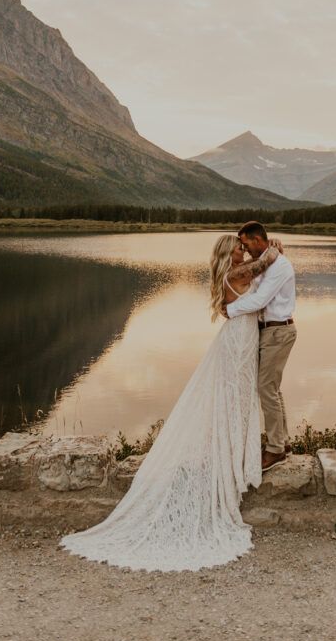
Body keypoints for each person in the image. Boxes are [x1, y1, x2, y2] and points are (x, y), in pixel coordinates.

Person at [58, 233, 283, 572]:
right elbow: (265, 262)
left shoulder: (235, 274)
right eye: (238, 246)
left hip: (242, 338)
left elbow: (261, 269)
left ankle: (232, 454)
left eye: (243, 245)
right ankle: (230, 458)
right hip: (238, 342)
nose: (243, 248)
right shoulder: (236, 274)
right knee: (233, 397)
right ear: (229, 254)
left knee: (236, 398)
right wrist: (274, 249)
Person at [224, 221, 297, 472]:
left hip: (279, 330)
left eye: (245, 244)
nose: (244, 249)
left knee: (266, 387)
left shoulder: (279, 265)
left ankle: (275, 449)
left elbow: (260, 299)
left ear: (257, 240)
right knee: (271, 388)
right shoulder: (266, 262)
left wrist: (229, 310)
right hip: (269, 331)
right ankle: (283, 442)